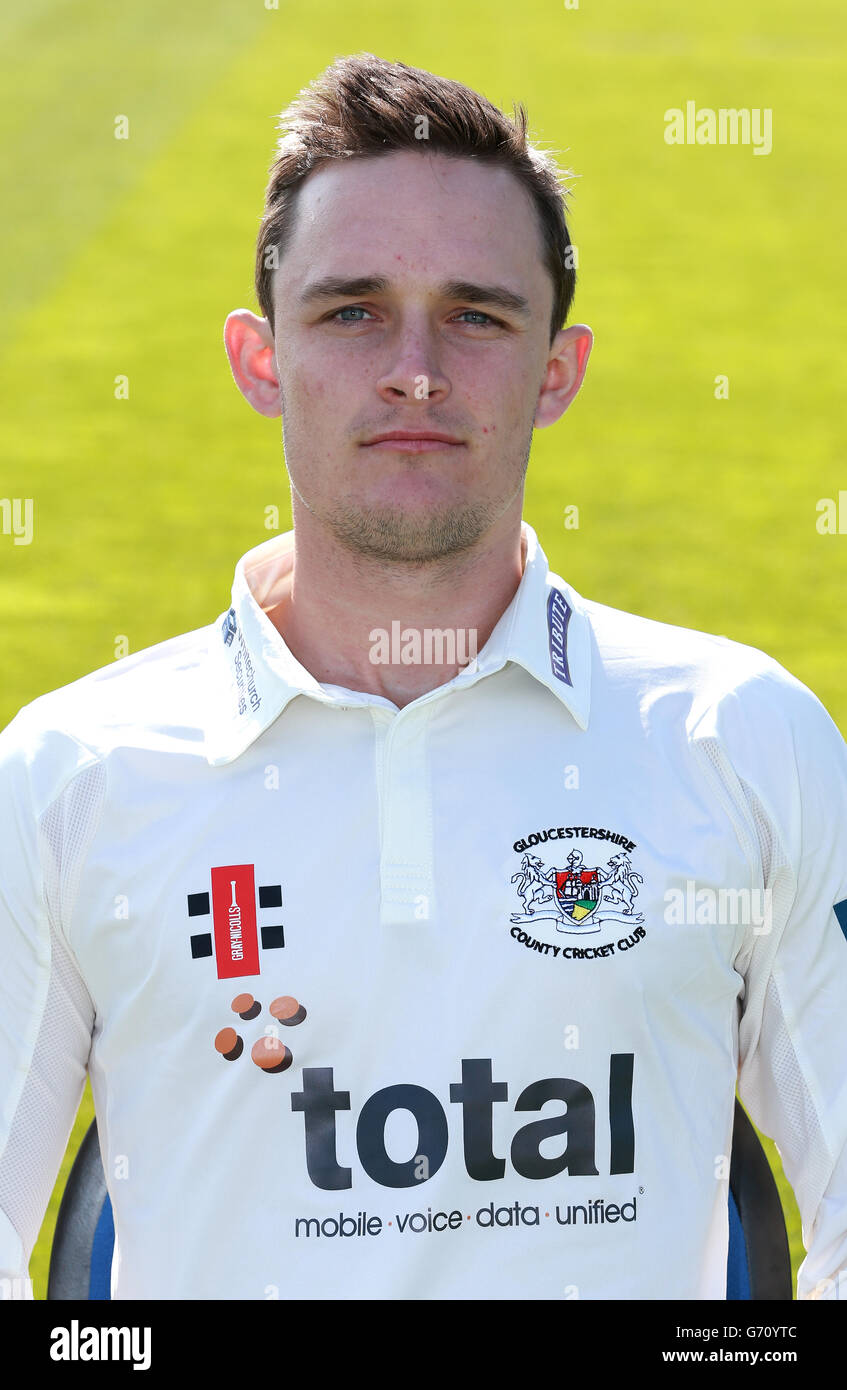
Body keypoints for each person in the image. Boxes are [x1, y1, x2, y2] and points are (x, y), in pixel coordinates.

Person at [1, 51, 845, 1302]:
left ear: (556, 367)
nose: (415, 369)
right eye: (351, 312)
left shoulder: (743, 738)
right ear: (260, 359)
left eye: (476, 316)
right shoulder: (68, 778)